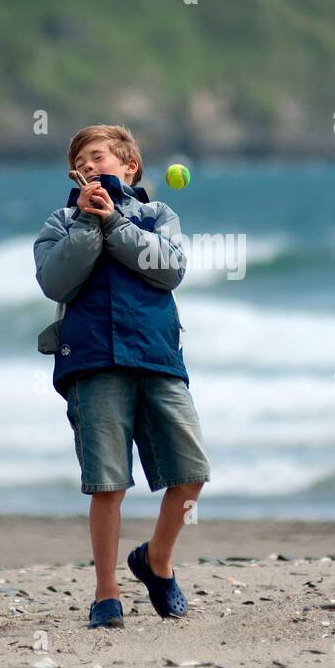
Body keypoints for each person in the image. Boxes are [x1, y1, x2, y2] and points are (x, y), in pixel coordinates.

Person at [32, 124, 210, 628]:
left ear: (129, 166)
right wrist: (91, 224)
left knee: (191, 473)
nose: (89, 167)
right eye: (81, 162)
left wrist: (115, 224)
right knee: (107, 485)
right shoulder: (61, 222)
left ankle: (156, 560)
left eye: (99, 157)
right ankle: (106, 594)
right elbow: (56, 281)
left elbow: (168, 268)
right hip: (91, 362)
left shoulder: (158, 214)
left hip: (157, 359)